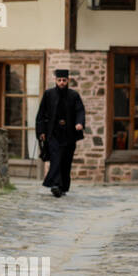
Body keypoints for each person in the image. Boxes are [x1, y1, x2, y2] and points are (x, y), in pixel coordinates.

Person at [35, 69, 85, 197]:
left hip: (69, 134)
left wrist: (79, 123)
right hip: (53, 133)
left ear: (68, 80)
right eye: (59, 80)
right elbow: (41, 115)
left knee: (66, 161)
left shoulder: (74, 95)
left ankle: (62, 187)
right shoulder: (48, 94)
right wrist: (41, 131)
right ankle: (55, 185)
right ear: (55, 81)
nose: (62, 82)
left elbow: (80, 111)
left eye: (64, 80)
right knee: (56, 158)